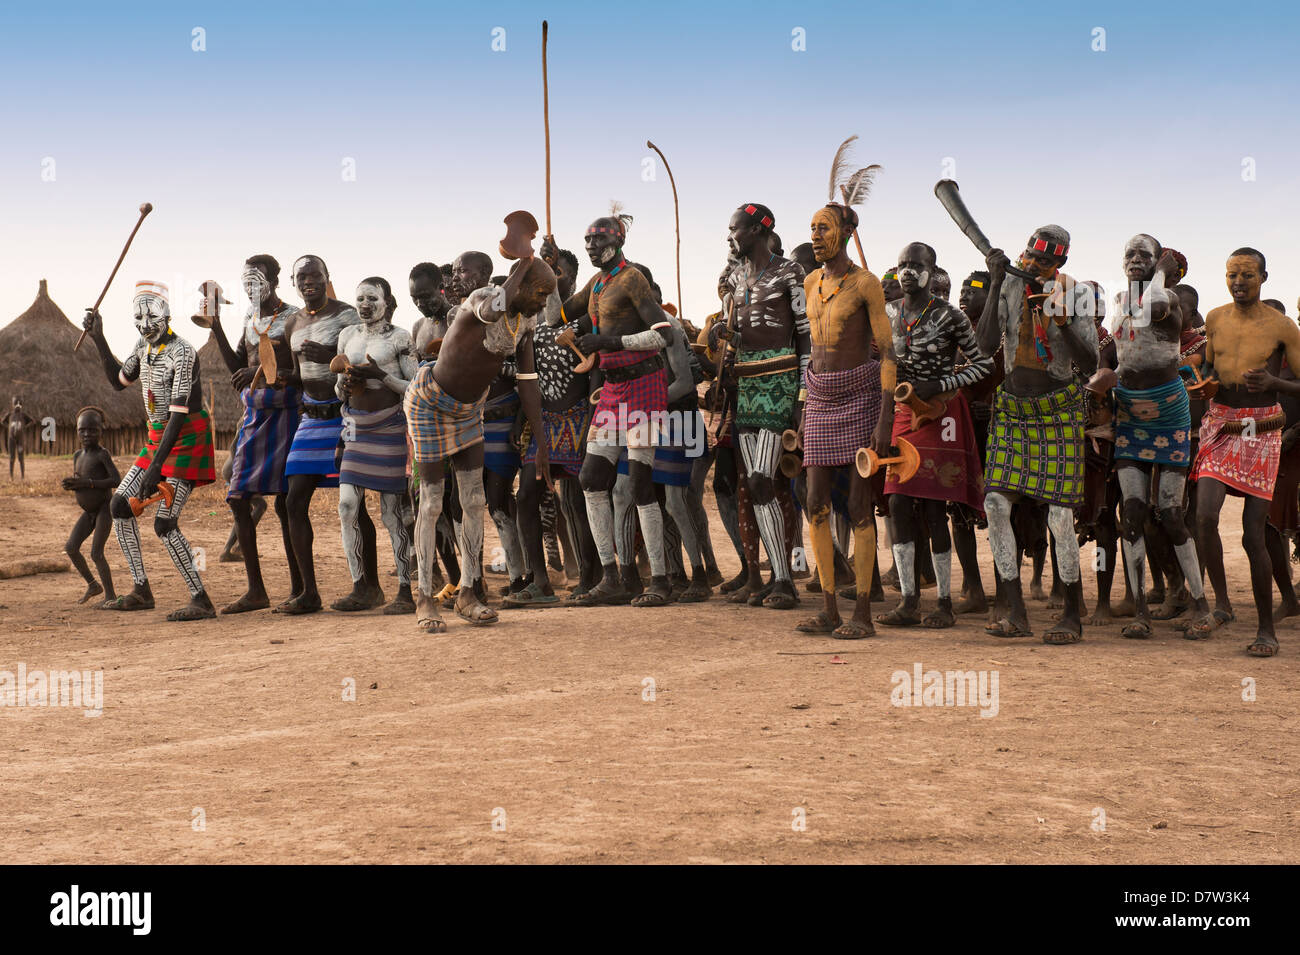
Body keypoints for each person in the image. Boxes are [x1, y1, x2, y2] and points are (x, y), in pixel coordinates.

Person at [404, 244, 554, 632]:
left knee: (474, 499)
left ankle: (468, 593)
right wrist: (525, 261)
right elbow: (496, 307)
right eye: (538, 292)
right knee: (433, 502)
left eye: (546, 295)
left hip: (470, 410)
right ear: (520, 284)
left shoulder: (526, 323)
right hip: (430, 404)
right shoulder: (482, 300)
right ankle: (424, 597)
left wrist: (542, 442)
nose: (542, 301)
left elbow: (528, 382)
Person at [977, 226, 1098, 643]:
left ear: (1059, 265)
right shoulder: (1010, 283)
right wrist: (994, 284)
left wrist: (1060, 319)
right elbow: (984, 344)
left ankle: (1070, 614)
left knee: (1060, 514)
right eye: (1028, 255)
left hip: (1058, 408)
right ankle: (1014, 609)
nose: (1031, 264)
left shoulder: (1076, 292)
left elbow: (1090, 360)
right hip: (1012, 408)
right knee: (994, 503)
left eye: (1042, 261)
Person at [561, 211, 678, 608]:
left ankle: (658, 579)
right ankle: (614, 576)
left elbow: (662, 335)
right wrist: (543, 269)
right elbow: (559, 312)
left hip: (645, 384)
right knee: (593, 479)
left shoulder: (632, 278)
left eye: (598, 240)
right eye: (587, 241)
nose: (591, 246)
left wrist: (610, 344)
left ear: (618, 241)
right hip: (612, 390)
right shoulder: (597, 283)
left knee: (641, 485)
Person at [82, 280, 218, 620]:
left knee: (164, 522)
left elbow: (177, 414)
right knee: (120, 506)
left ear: (167, 314)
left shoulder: (183, 352)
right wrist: (99, 337)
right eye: (138, 317)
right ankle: (141, 590)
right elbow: (118, 381)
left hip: (186, 439)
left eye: (152, 316)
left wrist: (156, 468)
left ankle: (200, 599)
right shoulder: (142, 348)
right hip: (158, 438)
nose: (145, 324)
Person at [795, 200, 896, 638]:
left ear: (848, 231)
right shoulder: (810, 281)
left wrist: (885, 418)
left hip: (860, 396)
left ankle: (863, 615)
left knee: (858, 504)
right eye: (813, 228)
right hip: (819, 397)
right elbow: (811, 352)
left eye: (824, 228)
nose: (816, 236)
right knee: (814, 501)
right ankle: (830, 609)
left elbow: (889, 353)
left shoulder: (866, 284)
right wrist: (802, 410)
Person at [877, 242, 992, 628]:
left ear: (931, 269)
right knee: (896, 504)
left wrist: (941, 382)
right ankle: (909, 599)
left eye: (915, 264)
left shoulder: (949, 316)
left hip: (941, 412)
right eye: (902, 264)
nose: (907, 271)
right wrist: (885, 414)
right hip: (902, 413)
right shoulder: (888, 312)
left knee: (931, 507)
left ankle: (943, 602)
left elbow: (982, 365)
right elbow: (885, 366)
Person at [1191, 248, 1300, 655]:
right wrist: (1210, 385)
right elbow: (1216, 370)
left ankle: (1266, 629)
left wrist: (1275, 380)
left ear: (1264, 278)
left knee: (1254, 535)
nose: (1239, 282)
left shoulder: (1282, 325)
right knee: (1204, 517)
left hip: (1262, 429)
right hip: (1220, 423)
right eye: (1232, 274)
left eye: (1248, 275)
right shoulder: (1215, 318)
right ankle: (1221, 604)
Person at [1108, 236, 1213, 637]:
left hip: (1168, 413)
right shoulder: (1121, 300)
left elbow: (1148, 310)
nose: (1135, 260)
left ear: (1158, 264)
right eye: (1129, 254)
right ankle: (1140, 611)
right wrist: (1109, 379)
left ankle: (1200, 605)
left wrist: (1164, 272)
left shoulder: (1166, 298)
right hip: (1130, 412)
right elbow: (1126, 352)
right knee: (1131, 512)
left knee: (1170, 512)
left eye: (1145, 256)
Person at [715, 203, 809, 610]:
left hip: (781, 378)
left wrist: (803, 396)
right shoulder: (736, 276)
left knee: (760, 479)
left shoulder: (790, 272)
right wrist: (725, 333)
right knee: (756, 485)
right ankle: (778, 579)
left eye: (736, 228)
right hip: (747, 384)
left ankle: (784, 580)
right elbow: (735, 330)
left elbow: (805, 336)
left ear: (757, 229)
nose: (731, 235)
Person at [204, 254, 303, 613]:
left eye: (257, 280)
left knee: (286, 503)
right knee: (238, 496)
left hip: (286, 411)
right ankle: (256, 590)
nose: (250, 288)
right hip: (255, 412)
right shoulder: (249, 317)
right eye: (245, 282)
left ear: (275, 280)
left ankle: (299, 588)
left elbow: (299, 367)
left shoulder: (293, 317)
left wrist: (261, 369)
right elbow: (237, 369)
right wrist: (215, 327)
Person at [513, 241, 600, 605]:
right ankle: (540, 581)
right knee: (527, 496)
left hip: (581, 418)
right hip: (544, 422)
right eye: (543, 276)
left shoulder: (586, 320)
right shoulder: (527, 326)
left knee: (579, 502)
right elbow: (525, 378)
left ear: (575, 279)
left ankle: (592, 578)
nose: (549, 281)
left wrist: (596, 422)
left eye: (558, 273)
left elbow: (597, 375)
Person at [280, 255, 363, 614]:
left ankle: (367, 585)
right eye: (302, 277)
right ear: (294, 282)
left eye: (315, 275)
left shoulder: (347, 316)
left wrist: (330, 353)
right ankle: (309, 592)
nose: (308, 281)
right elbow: (301, 373)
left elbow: (362, 360)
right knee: (293, 501)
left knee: (353, 504)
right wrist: (289, 378)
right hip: (311, 419)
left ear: (327, 278)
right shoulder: (292, 323)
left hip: (345, 414)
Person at [335, 277, 418, 614]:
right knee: (346, 506)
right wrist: (345, 382)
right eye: (360, 299)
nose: (365, 305)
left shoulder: (400, 338)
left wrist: (379, 374)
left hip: (390, 427)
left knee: (391, 513)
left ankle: (405, 591)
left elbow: (414, 388)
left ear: (387, 302)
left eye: (372, 298)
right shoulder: (347, 336)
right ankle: (360, 587)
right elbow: (337, 391)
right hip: (354, 426)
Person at [61, 406, 119, 605]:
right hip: (89, 512)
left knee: (96, 553)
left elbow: (116, 480)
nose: (87, 434)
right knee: (71, 547)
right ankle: (93, 585)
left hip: (104, 509)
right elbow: (81, 480)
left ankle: (110, 596)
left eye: (92, 430)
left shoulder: (102, 454)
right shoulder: (78, 456)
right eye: (82, 430)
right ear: (76, 430)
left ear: (101, 430)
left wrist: (88, 483)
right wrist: (73, 484)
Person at [2, 397, 33, 480]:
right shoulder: (9, 415)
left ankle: (22, 476)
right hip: (11, 439)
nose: (18, 405)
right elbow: (3, 421)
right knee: (12, 458)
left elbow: (32, 421)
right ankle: (11, 476)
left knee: (21, 458)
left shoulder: (23, 415)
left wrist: (24, 427)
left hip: (20, 440)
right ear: (13, 405)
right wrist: (8, 428)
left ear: (22, 405)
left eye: (20, 404)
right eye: (16, 403)